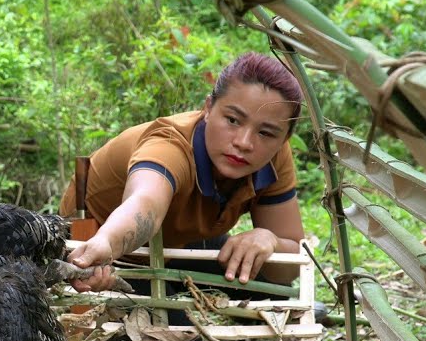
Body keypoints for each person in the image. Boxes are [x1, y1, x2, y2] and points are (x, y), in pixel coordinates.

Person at [60, 52, 304, 292]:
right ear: (208, 108)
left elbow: (290, 266)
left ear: (284, 138)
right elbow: (145, 205)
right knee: (183, 331)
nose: (244, 142)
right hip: (113, 250)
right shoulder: (168, 145)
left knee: (269, 283)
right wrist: (106, 243)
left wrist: (269, 241)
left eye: (266, 133)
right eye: (233, 120)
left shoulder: (274, 155)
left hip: (182, 242)